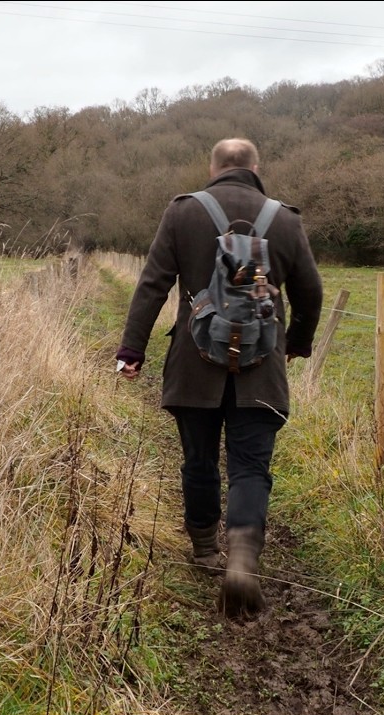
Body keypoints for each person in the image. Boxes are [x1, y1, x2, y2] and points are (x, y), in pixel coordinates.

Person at [116, 137, 323, 620]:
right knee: (250, 466)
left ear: (213, 168)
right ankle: (243, 555)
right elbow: (311, 292)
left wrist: (132, 350)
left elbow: (152, 284)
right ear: (256, 168)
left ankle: (206, 548)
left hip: (194, 365)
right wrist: (296, 342)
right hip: (261, 367)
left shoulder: (183, 212)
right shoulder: (285, 219)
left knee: (199, 459)